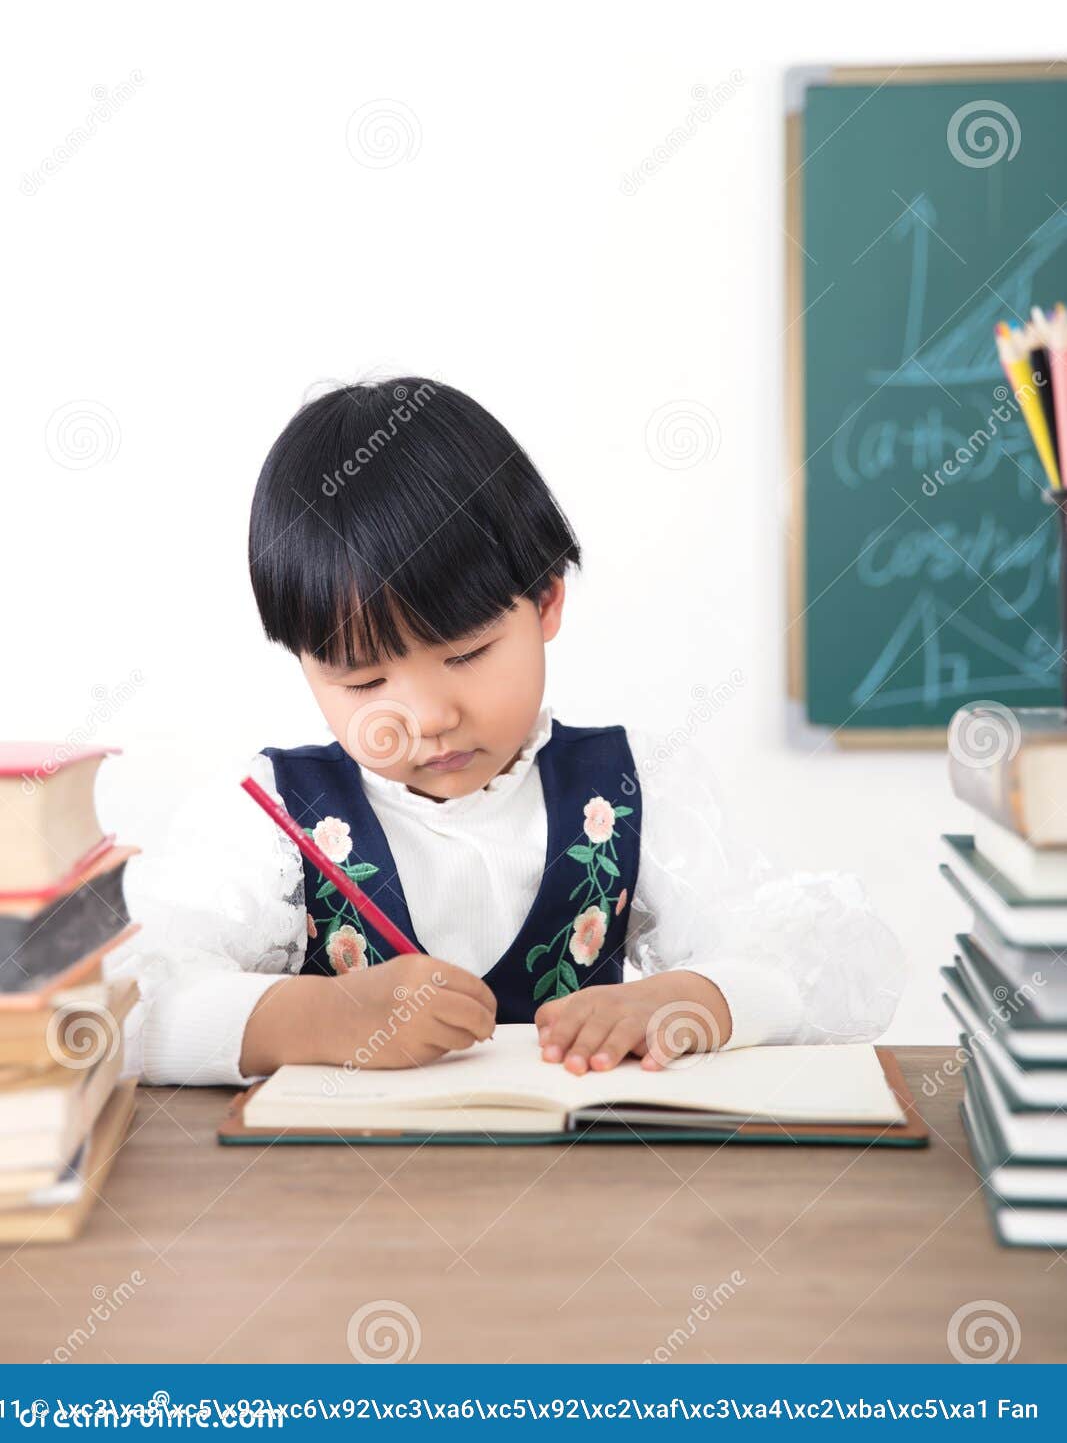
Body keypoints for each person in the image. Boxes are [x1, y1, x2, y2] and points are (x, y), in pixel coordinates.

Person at [114, 377, 904, 1085]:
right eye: (362, 681)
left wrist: (696, 998)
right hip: (337, 1221)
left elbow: (832, 964)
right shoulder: (271, 817)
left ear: (547, 602)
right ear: (304, 665)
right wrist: (319, 1019)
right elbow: (119, 1009)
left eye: (466, 653)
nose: (425, 717)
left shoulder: (634, 787)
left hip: (588, 1216)